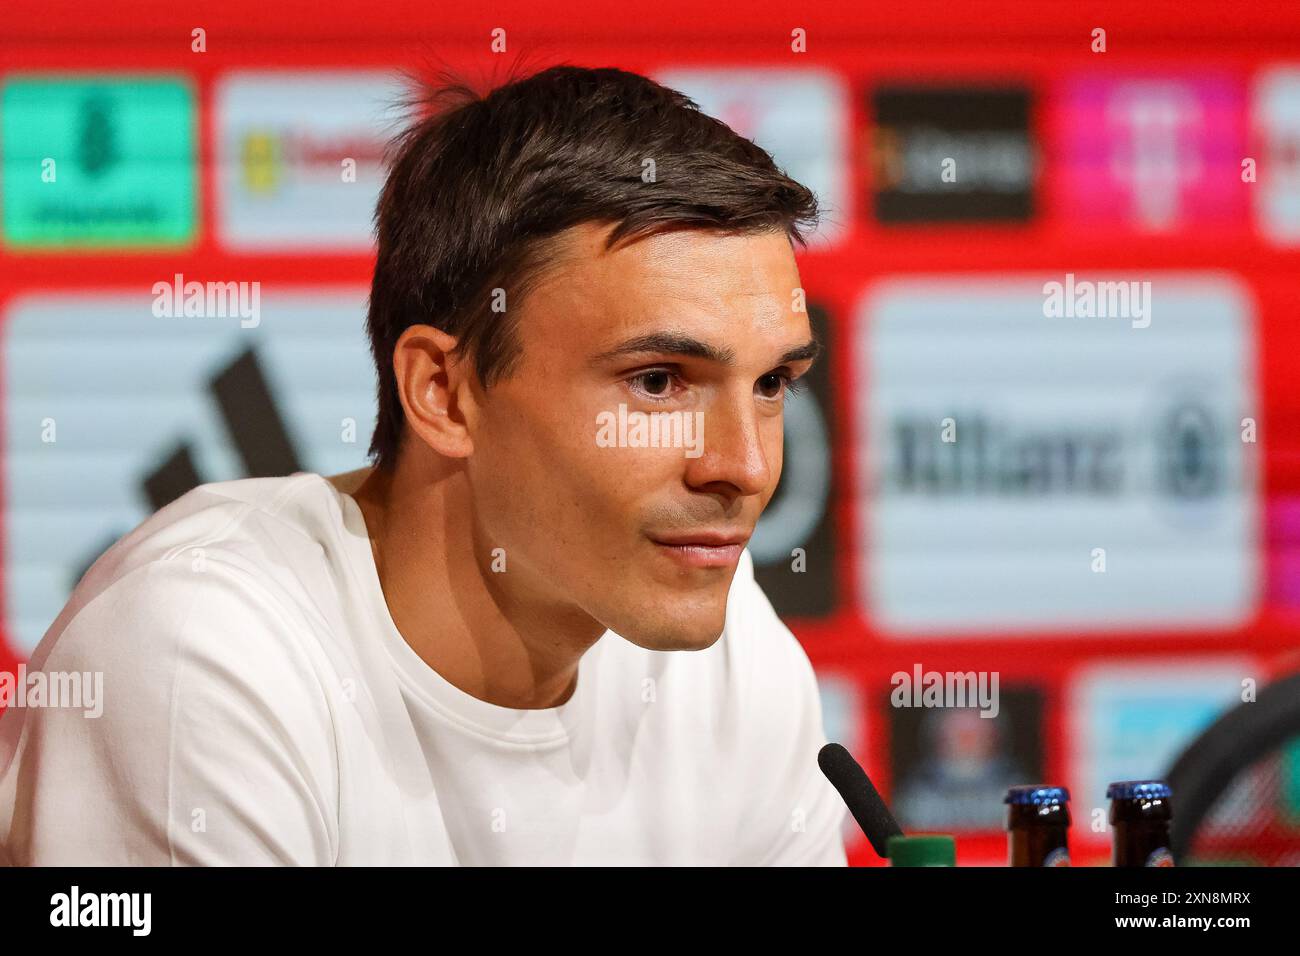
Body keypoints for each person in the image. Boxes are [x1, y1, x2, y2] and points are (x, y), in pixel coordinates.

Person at [0, 64, 846, 865]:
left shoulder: (738, 664)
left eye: (772, 382)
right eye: (658, 382)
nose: (743, 465)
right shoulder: (200, 652)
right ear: (442, 392)